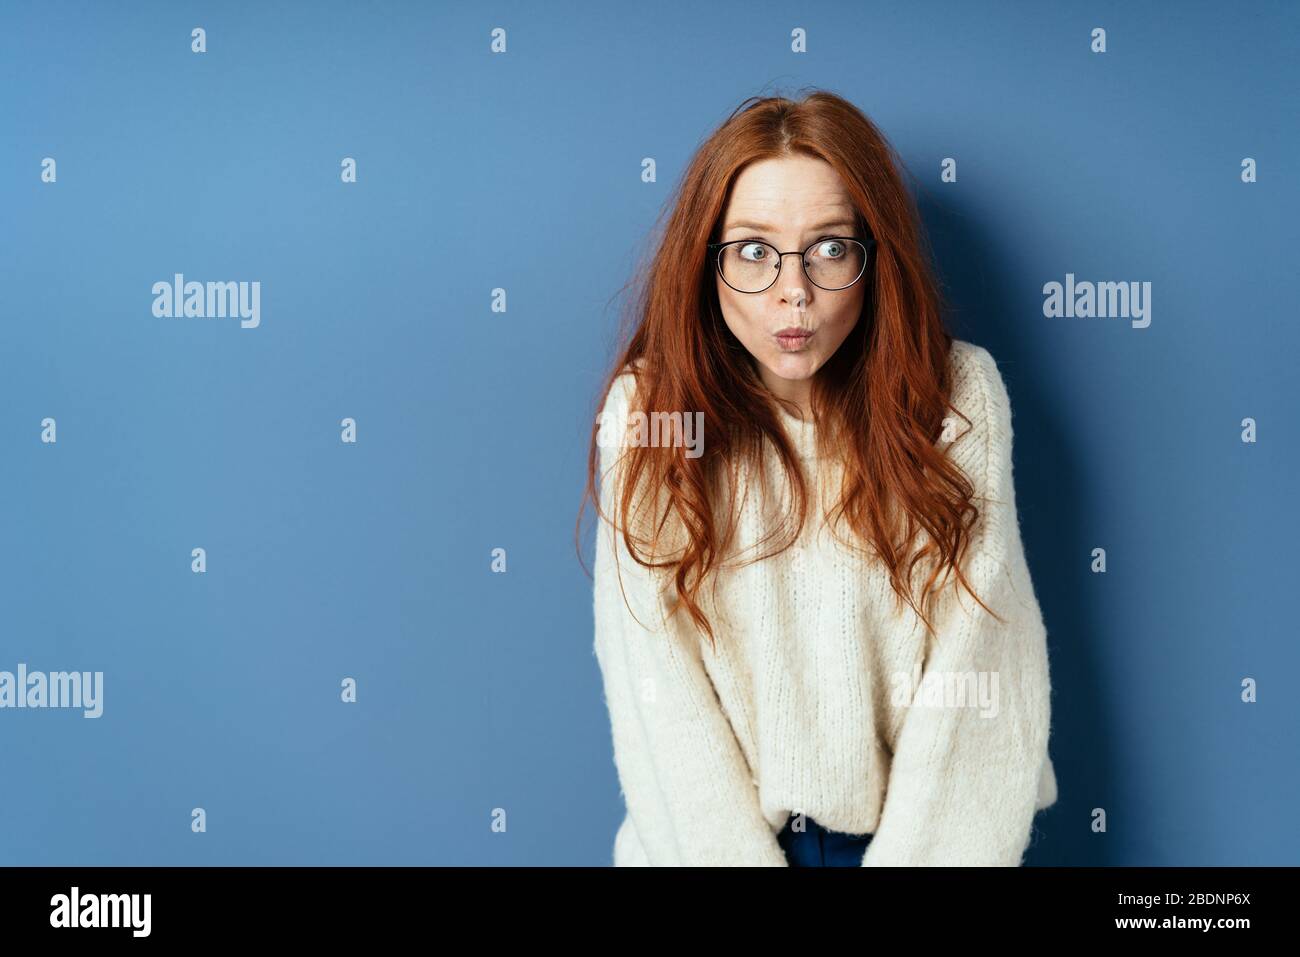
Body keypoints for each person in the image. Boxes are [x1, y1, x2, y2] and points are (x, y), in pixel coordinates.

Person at [580, 89, 1057, 867]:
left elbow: (982, 681)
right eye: (753, 250)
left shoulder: (959, 400)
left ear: (875, 259)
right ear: (707, 265)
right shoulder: (651, 415)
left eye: (831, 247)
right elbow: (654, 699)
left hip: (911, 842)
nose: (792, 291)